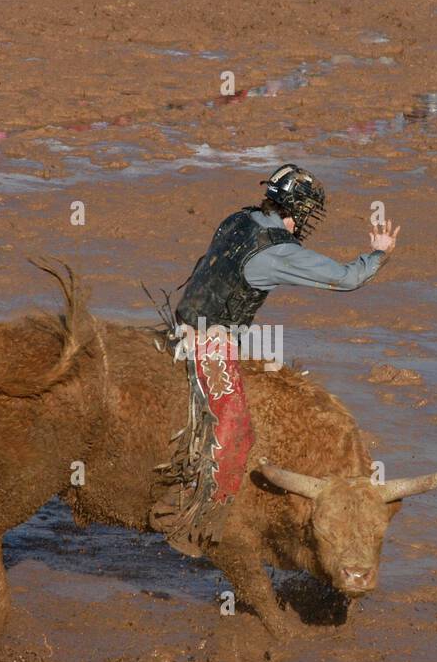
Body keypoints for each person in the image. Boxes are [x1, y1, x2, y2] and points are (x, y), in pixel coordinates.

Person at [153, 164, 400, 549]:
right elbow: (347, 278)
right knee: (235, 429)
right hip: (208, 344)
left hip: (178, 326)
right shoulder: (276, 252)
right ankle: (200, 519)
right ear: (299, 211)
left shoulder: (237, 219)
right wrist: (379, 253)